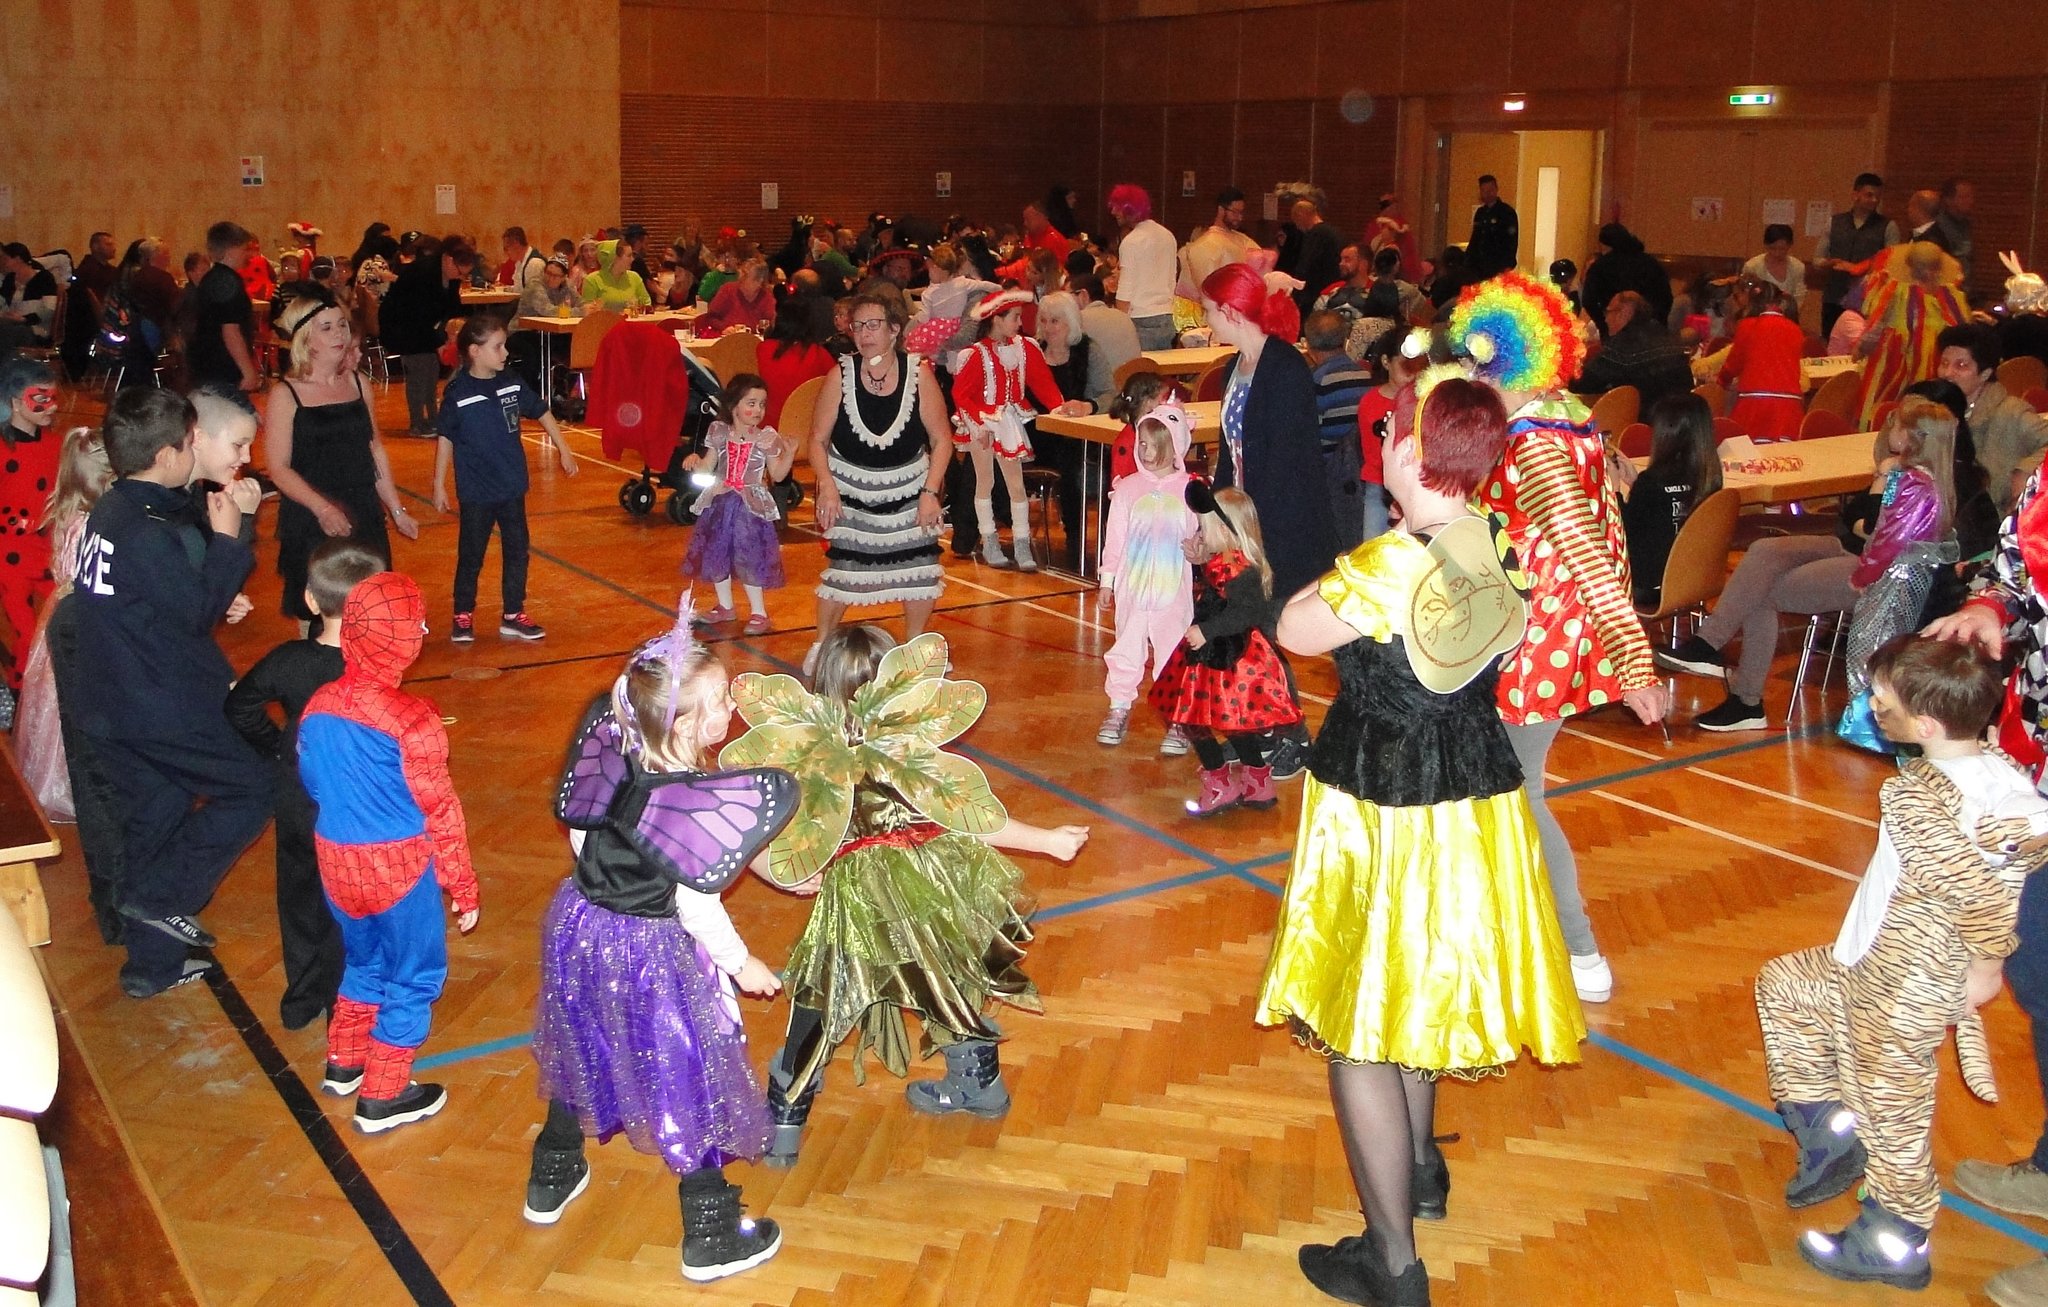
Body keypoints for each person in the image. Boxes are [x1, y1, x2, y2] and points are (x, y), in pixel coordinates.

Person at [1261, 377, 1586, 1307]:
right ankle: (1421, 1173)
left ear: (1411, 451)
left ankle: (1393, 1261)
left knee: (1361, 1021)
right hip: (1474, 792)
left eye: (1393, 435)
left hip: (1384, 802)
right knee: (1421, 983)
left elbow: (1293, 628)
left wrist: (1364, 550)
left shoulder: (1386, 565)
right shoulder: (1501, 541)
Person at [721, 626, 1089, 1164]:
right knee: (945, 981)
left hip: (857, 897)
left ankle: (785, 1120)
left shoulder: (805, 754)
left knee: (823, 998)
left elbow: (753, 826)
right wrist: (1047, 841)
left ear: (820, 687)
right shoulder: (908, 746)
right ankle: (980, 1085)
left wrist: (776, 873)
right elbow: (968, 814)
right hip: (931, 883)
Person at [1755, 636, 2045, 1291]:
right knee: (1787, 985)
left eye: (1882, 700)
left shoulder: (1918, 800)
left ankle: (1896, 1240)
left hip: (1899, 984)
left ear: (1927, 725)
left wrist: (1986, 965)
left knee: (1893, 1115)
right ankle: (1831, 1133)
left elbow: (1973, 888)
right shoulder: (2001, 772)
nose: (1870, 706)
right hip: (1871, 961)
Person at [525, 608, 794, 1278]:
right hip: (650, 952)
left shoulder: (611, 757)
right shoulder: (688, 802)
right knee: (687, 1069)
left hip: (581, 927)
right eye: (721, 699)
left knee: (582, 1043)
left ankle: (552, 1173)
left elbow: (583, 837)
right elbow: (696, 904)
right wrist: (741, 963)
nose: (732, 707)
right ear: (686, 725)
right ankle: (711, 1233)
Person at [1461, 270, 1670, 1002]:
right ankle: (1505, 925)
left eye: (1480, 368)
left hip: (1535, 640)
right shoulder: (1567, 416)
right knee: (1499, 788)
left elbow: (1586, 551)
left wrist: (1635, 663)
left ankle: (1579, 950)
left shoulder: (1538, 444)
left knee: (1517, 793)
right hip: (1535, 630)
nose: (1471, 380)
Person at [71, 388, 273, 998]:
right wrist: (232, 540)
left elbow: (161, 599)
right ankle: (161, 897)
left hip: (114, 702)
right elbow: (193, 615)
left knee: (155, 819)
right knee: (258, 785)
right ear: (168, 454)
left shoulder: (116, 508)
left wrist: (211, 579)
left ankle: (150, 968)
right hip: (158, 705)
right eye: (189, 443)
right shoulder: (146, 530)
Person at [298, 570, 478, 1132]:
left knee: (363, 961)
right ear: (402, 640)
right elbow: (440, 810)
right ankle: (385, 1092)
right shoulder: (413, 720)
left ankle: (344, 1061)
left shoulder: (319, 703)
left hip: (335, 860)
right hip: (399, 868)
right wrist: (462, 884)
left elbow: (312, 781)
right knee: (415, 974)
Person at [1661, 396, 1957, 729]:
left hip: (1878, 576)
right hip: (1855, 551)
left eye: (1897, 424)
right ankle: (1708, 644)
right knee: (1763, 551)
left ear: (1911, 436)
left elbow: (1882, 536)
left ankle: (1746, 700)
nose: (1890, 428)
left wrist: (1862, 571)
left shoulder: (1913, 484)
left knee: (1762, 591)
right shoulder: (1908, 474)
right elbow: (1857, 521)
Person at [225, 540, 384, 1032]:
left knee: (298, 893)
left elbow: (239, 706)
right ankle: (344, 1000)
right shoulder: (379, 667)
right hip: (355, 802)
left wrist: (278, 745)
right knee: (349, 902)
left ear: (312, 601)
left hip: (299, 795)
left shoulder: (289, 659)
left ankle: (301, 998)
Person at [804, 292, 953, 673]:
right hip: (850, 486)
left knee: (920, 568)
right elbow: (817, 440)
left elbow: (942, 440)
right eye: (858, 326)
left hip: (909, 484)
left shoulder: (919, 374)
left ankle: (915, 647)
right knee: (843, 569)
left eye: (873, 325)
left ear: (894, 330)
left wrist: (930, 492)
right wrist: (827, 486)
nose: (864, 333)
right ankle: (821, 644)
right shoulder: (840, 374)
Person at [1150, 484, 1301, 816]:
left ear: (1224, 529)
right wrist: (1200, 560)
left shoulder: (1242, 571)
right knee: (1228, 722)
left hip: (1230, 658)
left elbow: (1247, 613)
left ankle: (1221, 782)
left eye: (1204, 528)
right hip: (1215, 655)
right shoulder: (1227, 560)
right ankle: (1257, 783)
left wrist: (1206, 630)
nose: (1201, 534)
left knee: (1196, 719)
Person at [266, 297, 417, 628]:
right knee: (322, 615)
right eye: (327, 327)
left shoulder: (358, 383)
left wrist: (396, 509)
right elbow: (278, 467)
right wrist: (323, 509)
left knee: (369, 608)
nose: (339, 333)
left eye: (342, 325)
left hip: (362, 508)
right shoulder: (286, 394)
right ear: (306, 339)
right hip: (312, 515)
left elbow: (374, 449)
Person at [432, 315, 579, 643]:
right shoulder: (458, 393)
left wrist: (564, 449)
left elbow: (541, 411)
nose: (505, 353)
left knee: (517, 551)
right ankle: (463, 613)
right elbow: (446, 438)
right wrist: (439, 484)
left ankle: (513, 613)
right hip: (476, 491)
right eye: (498, 347)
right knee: (472, 555)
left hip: (511, 485)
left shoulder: (511, 382)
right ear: (475, 351)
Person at [1202, 262, 1342, 602]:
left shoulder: (1286, 367)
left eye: (1208, 311)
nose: (1207, 321)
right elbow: (1229, 452)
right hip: (1246, 519)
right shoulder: (1233, 367)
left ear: (1229, 311)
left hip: (1283, 523)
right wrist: (1218, 516)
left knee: (1275, 616)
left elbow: (1286, 462)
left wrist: (1247, 526)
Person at [950, 287, 1087, 572]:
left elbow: (1042, 381)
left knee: (1016, 486)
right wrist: (978, 425)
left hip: (1009, 422)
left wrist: (1059, 408)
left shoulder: (1024, 348)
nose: (1020, 323)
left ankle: (1022, 543)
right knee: (985, 482)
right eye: (1014, 317)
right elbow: (961, 394)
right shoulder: (976, 354)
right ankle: (990, 541)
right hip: (982, 423)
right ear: (996, 319)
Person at [12, 424, 110, 822]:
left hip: (62, 615)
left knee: (53, 703)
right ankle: (72, 786)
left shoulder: (67, 513)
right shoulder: (92, 525)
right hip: (83, 621)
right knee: (68, 705)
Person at [1097, 400, 1196, 751]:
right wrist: (1108, 580)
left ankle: (1177, 719)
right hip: (1132, 591)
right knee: (1126, 646)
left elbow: (1204, 536)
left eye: (1156, 445)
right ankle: (1118, 707)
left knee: (1172, 653)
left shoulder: (1191, 491)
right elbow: (1114, 540)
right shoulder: (1128, 490)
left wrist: (1201, 550)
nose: (1147, 452)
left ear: (1175, 446)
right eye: (1142, 444)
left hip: (1174, 594)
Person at [682, 374, 792, 633]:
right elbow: (708, 466)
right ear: (733, 405)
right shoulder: (720, 433)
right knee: (717, 553)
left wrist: (788, 455)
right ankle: (725, 606)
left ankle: (759, 612)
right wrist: (696, 461)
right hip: (721, 503)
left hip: (749, 508)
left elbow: (777, 475)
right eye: (751, 403)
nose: (758, 410)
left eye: (762, 404)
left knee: (748, 556)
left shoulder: (765, 438)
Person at [1852, 242, 1969, 429]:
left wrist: (1861, 348)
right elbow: (1878, 325)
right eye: (1922, 267)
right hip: (1898, 366)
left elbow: (1963, 331)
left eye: (1929, 267)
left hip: (1932, 368)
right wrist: (1863, 348)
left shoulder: (1950, 296)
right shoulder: (1899, 293)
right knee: (1892, 416)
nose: (1925, 273)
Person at [1936, 323, 2048, 516]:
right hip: (1939, 517)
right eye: (1944, 363)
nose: (1947, 374)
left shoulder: (2011, 413)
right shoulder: (1929, 409)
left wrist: (2025, 471)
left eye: (1961, 365)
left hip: (1992, 521)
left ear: (1985, 374)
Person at [1621, 394, 1721, 607]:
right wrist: (1636, 484)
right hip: (1696, 579)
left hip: (1649, 587)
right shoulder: (1710, 478)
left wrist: (1615, 491)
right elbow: (1661, 512)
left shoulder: (1651, 482)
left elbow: (1624, 532)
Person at [0, 358, 64, 688]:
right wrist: (21, 521)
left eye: (53, 397)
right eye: (40, 399)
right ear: (15, 402)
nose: (51, 406)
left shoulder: (56, 445)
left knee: (61, 623)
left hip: (45, 551)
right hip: (8, 555)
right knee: (28, 633)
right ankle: (18, 691)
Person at [382, 234, 473, 435]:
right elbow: (417, 315)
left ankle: (433, 418)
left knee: (432, 370)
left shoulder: (451, 276)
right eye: (460, 272)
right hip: (403, 325)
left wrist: (453, 328)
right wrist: (439, 342)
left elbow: (452, 305)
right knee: (419, 370)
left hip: (423, 326)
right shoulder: (422, 273)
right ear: (448, 259)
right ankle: (417, 422)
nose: (460, 277)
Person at [1304, 309, 1371, 550]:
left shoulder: (1316, 381)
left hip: (1328, 479)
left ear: (1308, 345)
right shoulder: (1365, 376)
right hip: (1362, 475)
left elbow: (1309, 437)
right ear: (1345, 340)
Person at [1572, 289, 1694, 414]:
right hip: (1684, 416)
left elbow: (1583, 384)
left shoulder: (1621, 347)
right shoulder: (1666, 335)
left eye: (1608, 312)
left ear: (1624, 313)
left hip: (1645, 421)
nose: (1606, 319)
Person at [1716, 280, 1810, 440]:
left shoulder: (1746, 326)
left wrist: (1721, 382)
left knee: (1748, 450)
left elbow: (1733, 365)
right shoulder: (1795, 330)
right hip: (1790, 406)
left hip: (1754, 403)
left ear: (1752, 303)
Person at [1816, 173, 1902, 339]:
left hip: (1867, 300)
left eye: (1878, 196)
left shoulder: (1888, 226)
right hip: (1834, 296)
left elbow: (1893, 264)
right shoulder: (1834, 222)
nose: (1874, 200)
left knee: (1861, 344)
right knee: (1831, 342)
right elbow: (1817, 259)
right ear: (1855, 195)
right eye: (1869, 195)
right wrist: (1830, 263)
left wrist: (1858, 268)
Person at [184, 222, 261, 400]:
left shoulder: (211, 278)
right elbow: (230, 330)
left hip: (206, 365)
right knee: (237, 415)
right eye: (245, 249)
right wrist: (248, 371)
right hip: (223, 369)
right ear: (231, 250)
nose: (249, 255)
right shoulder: (228, 282)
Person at [1108, 184, 1177, 350]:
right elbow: (1171, 280)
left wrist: (1119, 324)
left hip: (1139, 320)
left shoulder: (1131, 242)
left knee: (1137, 366)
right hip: (1166, 317)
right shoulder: (1168, 236)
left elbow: (1125, 291)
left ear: (1129, 208)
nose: (1113, 212)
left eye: (1117, 207)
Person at [1580, 223, 1672, 336]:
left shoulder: (1601, 266)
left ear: (1605, 245)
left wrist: (1603, 324)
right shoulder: (1651, 263)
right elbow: (1666, 298)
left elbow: (1589, 301)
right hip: (1649, 331)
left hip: (1615, 330)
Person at [1073, 274, 1141, 413]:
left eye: (1069, 296)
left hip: (1103, 401)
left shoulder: (1079, 321)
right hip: (1136, 393)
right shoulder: (1124, 317)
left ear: (1083, 295)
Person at [1180, 187, 1258, 295]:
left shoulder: (1242, 238)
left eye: (1241, 213)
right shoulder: (1207, 243)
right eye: (1235, 212)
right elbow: (1206, 287)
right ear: (1221, 210)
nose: (1240, 218)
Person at [1283, 198, 1344, 318]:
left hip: (1315, 296)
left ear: (1301, 215)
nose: (1297, 227)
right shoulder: (1334, 232)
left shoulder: (1315, 235)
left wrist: (1295, 294)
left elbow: (1305, 267)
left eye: (1296, 221)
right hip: (1334, 291)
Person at [697, 257, 772, 336]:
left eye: (745, 275)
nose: (740, 277)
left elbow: (773, 325)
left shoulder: (767, 298)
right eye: (741, 273)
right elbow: (710, 317)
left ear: (759, 281)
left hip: (754, 341)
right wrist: (724, 328)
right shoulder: (727, 290)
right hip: (726, 340)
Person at [581, 239, 654, 316]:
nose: (632, 259)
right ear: (614, 258)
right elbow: (588, 312)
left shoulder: (634, 277)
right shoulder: (592, 280)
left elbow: (646, 303)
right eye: (629, 255)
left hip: (632, 322)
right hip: (604, 323)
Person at [1466, 174, 1519, 279]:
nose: (1487, 194)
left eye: (1490, 190)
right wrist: (1467, 260)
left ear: (1496, 189)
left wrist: (1506, 265)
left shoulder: (1507, 212)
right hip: (1479, 267)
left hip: (1498, 266)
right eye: (1484, 191)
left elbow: (1511, 242)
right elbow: (1475, 239)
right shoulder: (1480, 213)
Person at [1742, 224, 1808, 304]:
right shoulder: (1752, 266)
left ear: (1790, 245)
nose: (1777, 253)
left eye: (1782, 249)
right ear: (1765, 245)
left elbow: (1799, 296)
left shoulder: (1798, 267)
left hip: (1787, 311)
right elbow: (1746, 295)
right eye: (1772, 248)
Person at [1369, 192, 1422, 283]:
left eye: (1388, 204)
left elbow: (1409, 255)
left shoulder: (1401, 227)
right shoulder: (1374, 226)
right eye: (1383, 205)